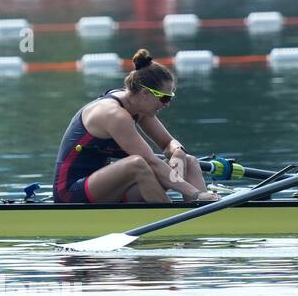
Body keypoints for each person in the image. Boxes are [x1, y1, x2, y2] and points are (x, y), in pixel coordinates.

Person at [52, 49, 218, 204]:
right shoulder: (114, 114)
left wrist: (177, 152)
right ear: (145, 93)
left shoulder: (137, 105)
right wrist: (195, 191)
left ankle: (202, 212)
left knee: (189, 161)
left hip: (109, 187)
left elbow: (167, 143)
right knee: (137, 164)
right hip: (71, 193)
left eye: (170, 98)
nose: (167, 104)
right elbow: (150, 162)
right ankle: (177, 217)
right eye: (164, 98)